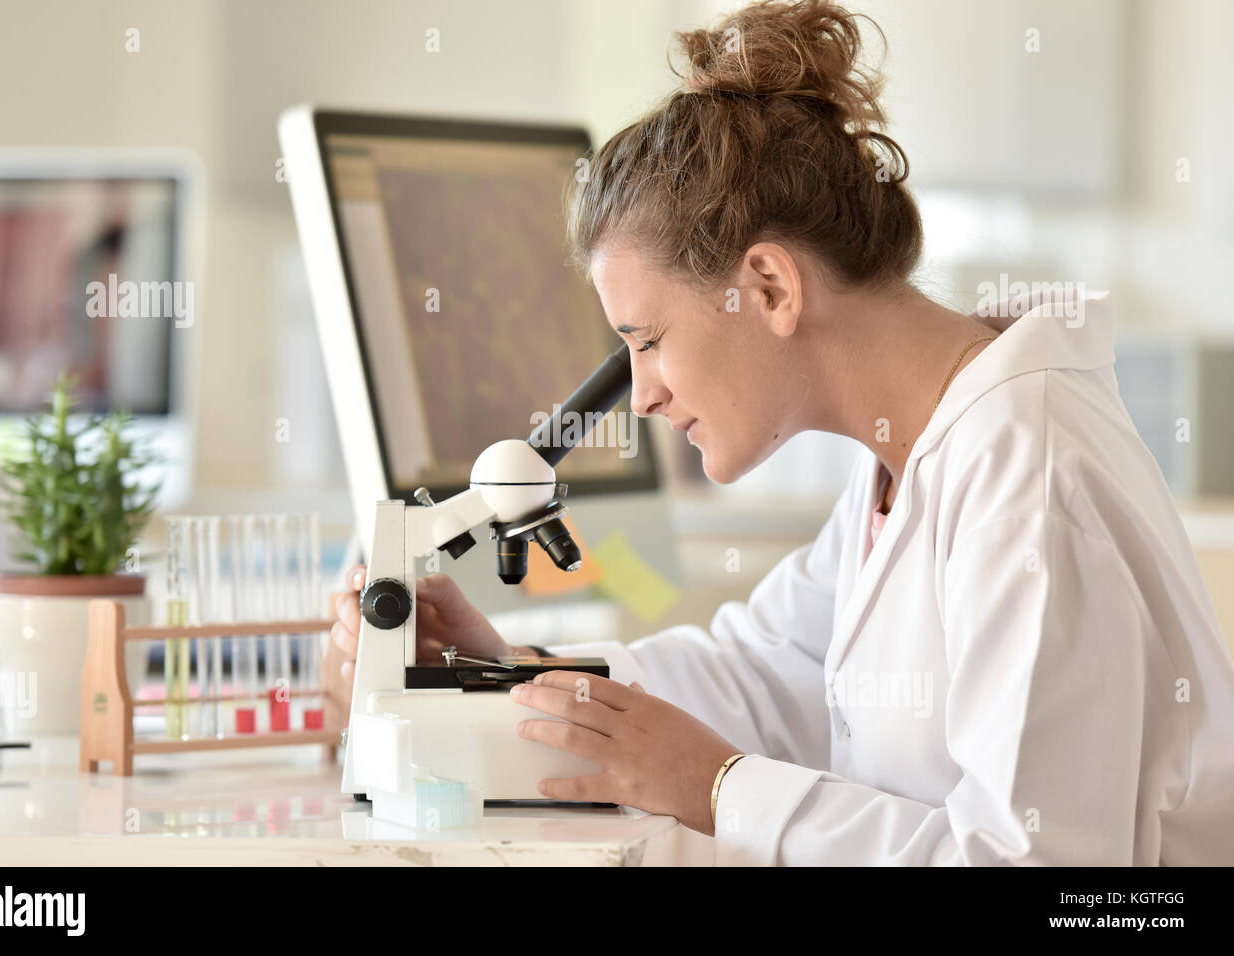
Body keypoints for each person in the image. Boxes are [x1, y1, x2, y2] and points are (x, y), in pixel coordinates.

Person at [332, 0, 1234, 864]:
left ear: (768, 286)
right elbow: (765, 672)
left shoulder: (1024, 482)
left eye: (647, 341)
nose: (640, 396)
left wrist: (720, 788)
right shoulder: (908, 456)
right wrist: (510, 671)